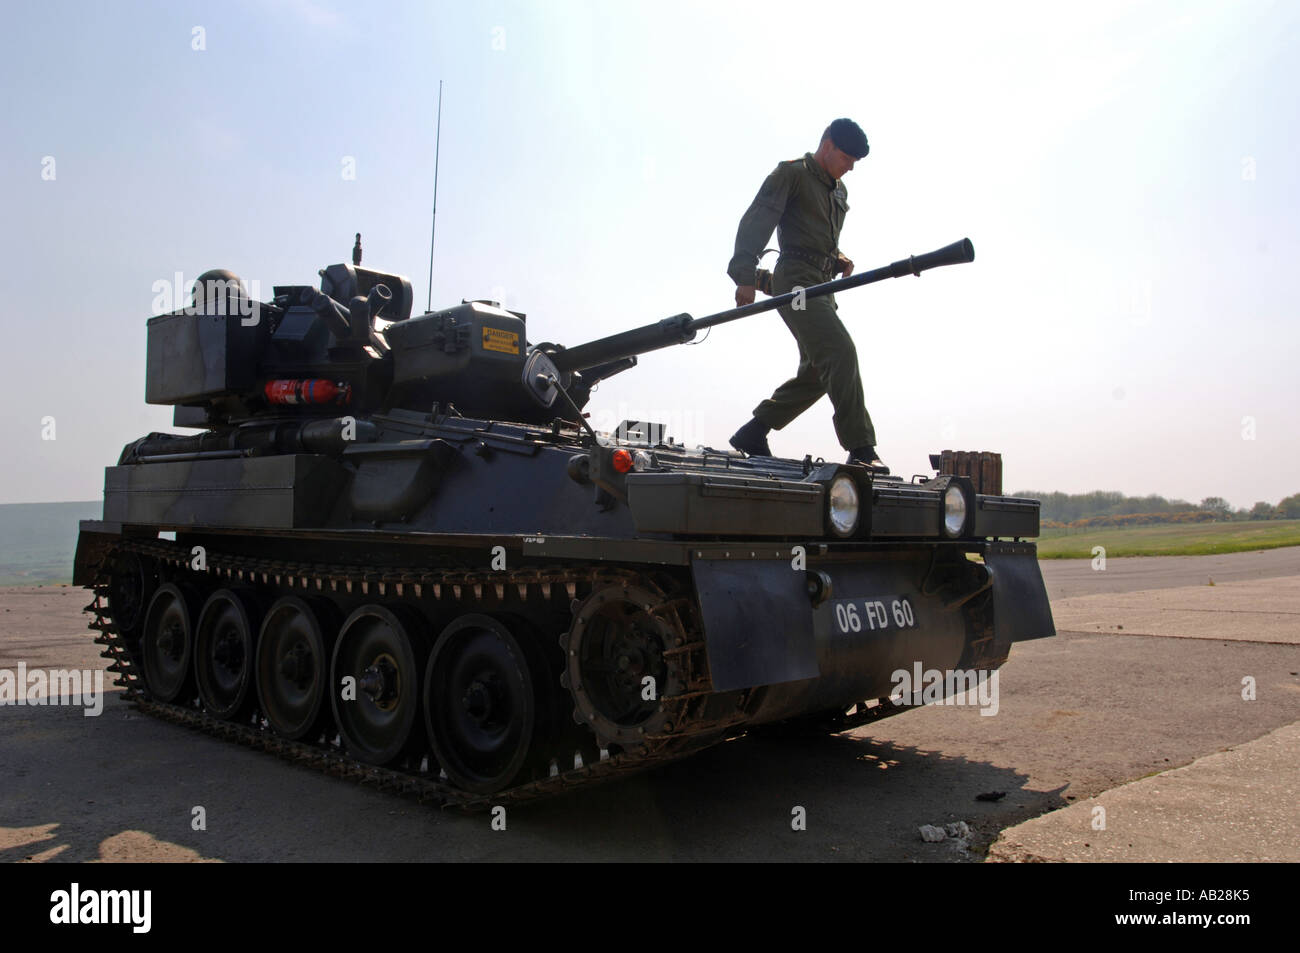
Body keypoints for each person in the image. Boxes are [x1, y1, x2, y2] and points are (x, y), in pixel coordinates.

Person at [726, 118, 888, 474]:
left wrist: (838, 257)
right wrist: (745, 277)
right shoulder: (791, 174)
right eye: (847, 158)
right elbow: (757, 220)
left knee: (818, 370)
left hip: (822, 285)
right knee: (840, 350)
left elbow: (817, 235)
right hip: (796, 284)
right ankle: (861, 447)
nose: (851, 167)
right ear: (827, 144)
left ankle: (754, 432)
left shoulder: (838, 191)